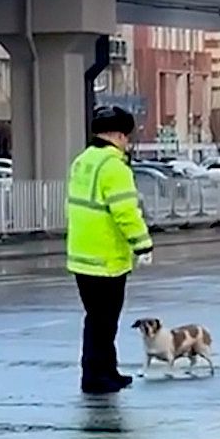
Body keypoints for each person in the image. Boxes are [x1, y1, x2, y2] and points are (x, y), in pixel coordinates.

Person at [65, 105, 153, 395]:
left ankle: (104, 371)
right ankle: (97, 377)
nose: (127, 142)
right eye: (126, 136)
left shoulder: (82, 161)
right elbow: (125, 212)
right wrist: (142, 244)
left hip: (82, 256)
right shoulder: (114, 167)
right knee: (104, 321)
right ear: (116, 135)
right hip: (106, 258)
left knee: (96, 319)